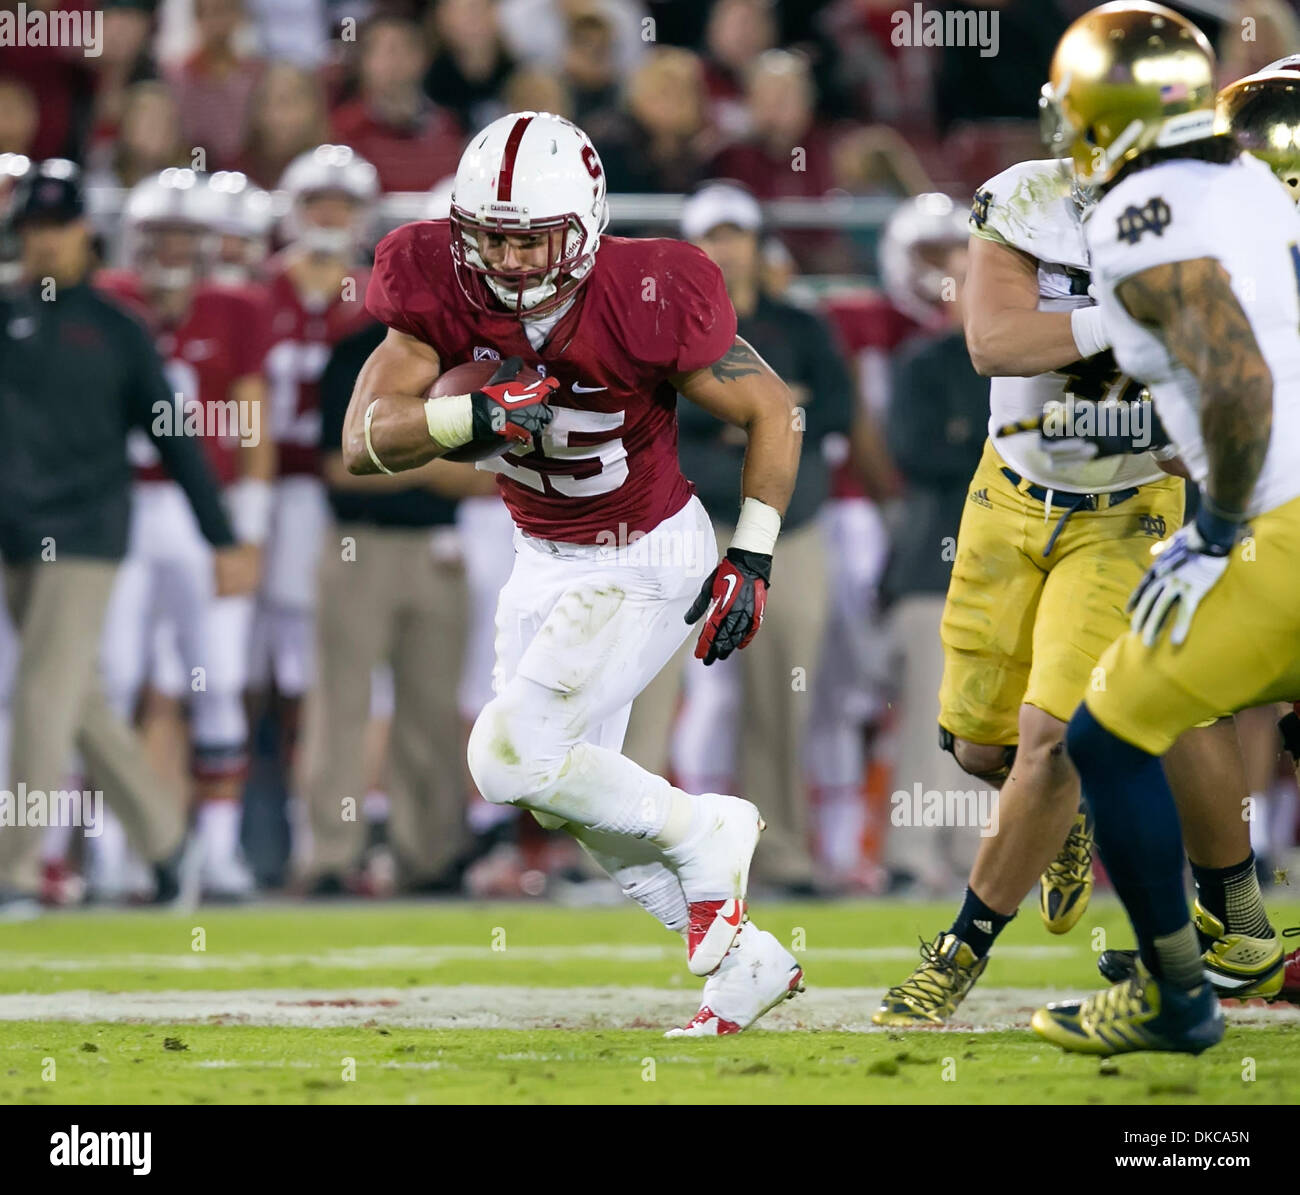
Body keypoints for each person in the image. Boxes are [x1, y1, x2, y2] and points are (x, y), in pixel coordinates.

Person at [351, 110, 803, 1036]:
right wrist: (467, 422)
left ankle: (709, 829)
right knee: (564, 794)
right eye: (494, 238)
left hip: (643, 551)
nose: (513, 261)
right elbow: (364, 441)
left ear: (588, 223)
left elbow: (773, 411)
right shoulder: (432, 275)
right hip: (541, 557)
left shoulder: (650, 289)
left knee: (503, 754)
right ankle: (749, 960)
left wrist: (750, 553)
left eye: (536, 239)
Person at [875, 56, 1284, 1026]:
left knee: (1058, 735)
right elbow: (994, 343)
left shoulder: (1205, 211)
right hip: (1008, 495)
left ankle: (960, 950)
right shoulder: (1029, 198)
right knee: (980, 748)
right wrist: (1134, 314)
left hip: (1129, 511)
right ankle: (1138, 877)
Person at [1030, 3, 1300, 1054]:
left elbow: (1233, 373)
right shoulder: (1248, 183)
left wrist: (1217, 523)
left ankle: (1176, 995)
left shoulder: (1143, 208)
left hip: (1277, 526)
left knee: (1108, 738)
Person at [0, 160, 253, 913]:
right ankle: (171, 847)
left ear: (87, 232)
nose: (45, 242)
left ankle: (15, 871)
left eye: (58, 226)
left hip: (86, 534)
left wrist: (222, 534)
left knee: (42, 697)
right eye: (33, 228)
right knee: (78, 702)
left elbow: (174, 437)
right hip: (14, 535)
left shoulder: (117, 328)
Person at [625, 180, 853, 895]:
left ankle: (778, 848)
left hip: (784, 529)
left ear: (758, 245)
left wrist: (745, 420)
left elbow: (835, 415)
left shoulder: (801, 326)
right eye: (712, 237)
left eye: (737, 234)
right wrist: (765, 417)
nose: (726, 249)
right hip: (682, 525)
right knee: (641, 685)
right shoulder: (664, 330)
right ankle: (625, 848)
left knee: (782, 695)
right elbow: (657, 421)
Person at [96, 168, 273, 901]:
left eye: (183, 236)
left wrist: (248, 534)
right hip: (122, 508)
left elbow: (252, 422)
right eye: (157, 236)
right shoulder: (107, 305)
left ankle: (220, 852)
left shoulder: (236, 309)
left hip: (205, 512)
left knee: (217, 679)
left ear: (207, 244)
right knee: (111, 677)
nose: (169, 250)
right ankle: (110, 855)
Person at [300, 318, 476, 895]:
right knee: (341, 705)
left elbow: (483, 479)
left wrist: (393, 458)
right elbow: (340, 466)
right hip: (359, 550)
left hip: (439, 554)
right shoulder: (354, 351)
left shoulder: (465, 358)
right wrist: (432, 468)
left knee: (431, 710)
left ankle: (430, 853)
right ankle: (330, 855)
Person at [249, 145, 377, 802]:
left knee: (311, 658)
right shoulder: (256, 289)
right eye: (317, 202)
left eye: (343, 204)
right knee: (236, 662)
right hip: (252, 489)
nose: (329, 215)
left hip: (337, 494)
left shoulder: (375, 297)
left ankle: (312, 809)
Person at [877, 193, 987, 896]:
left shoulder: (1022, 366)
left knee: (991, 719)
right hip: (932, 564)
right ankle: (912, 852)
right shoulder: (924, 362)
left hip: (1003, 567)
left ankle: (985, 858)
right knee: (931, 718)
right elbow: (917, 452)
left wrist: (969, 443)